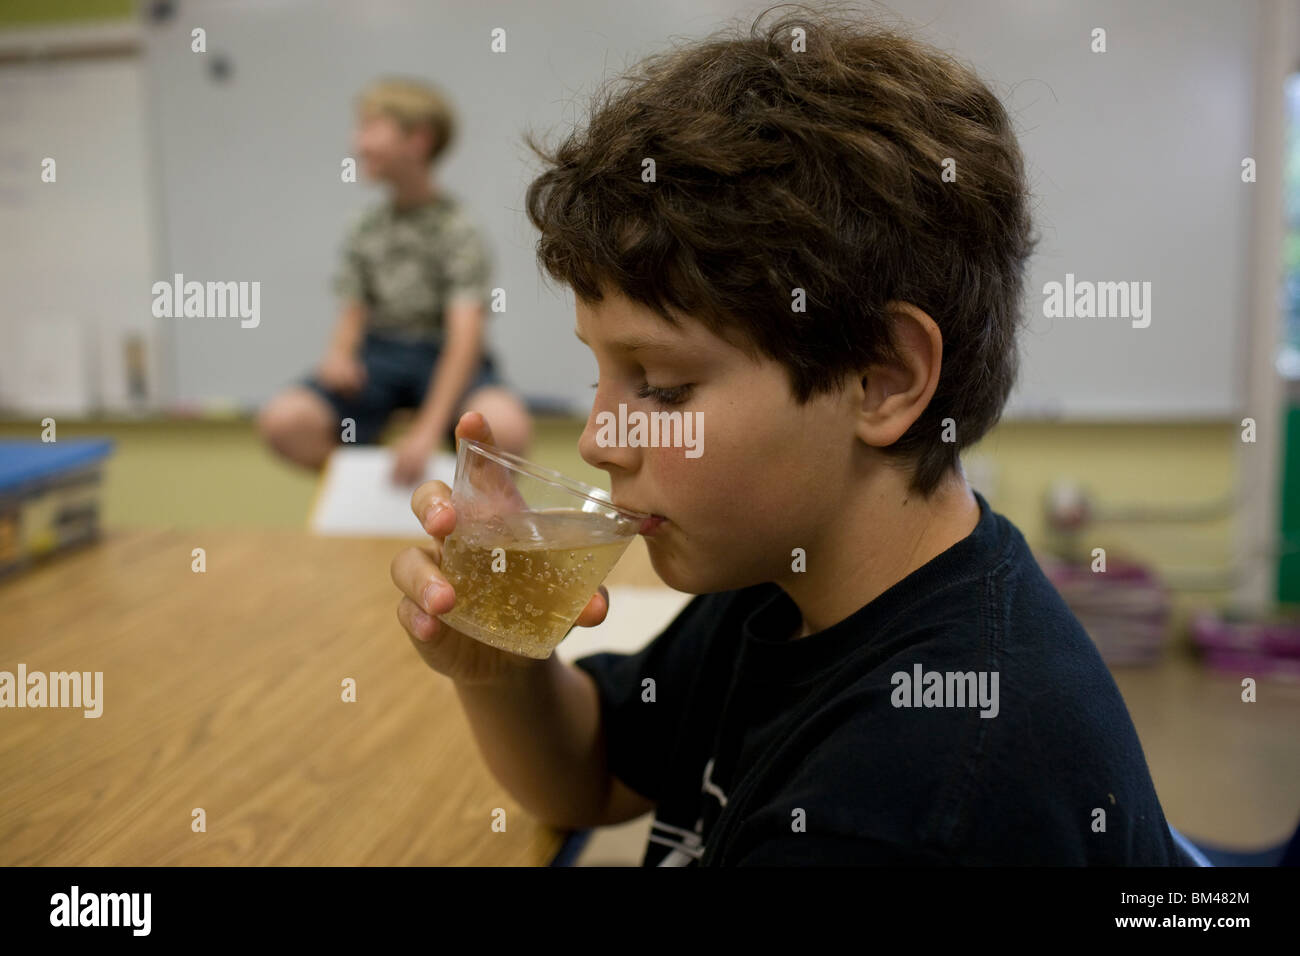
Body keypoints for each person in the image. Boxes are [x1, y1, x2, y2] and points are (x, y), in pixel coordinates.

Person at [389, 10, 1194, 865]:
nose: (598, 440)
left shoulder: (912, 799)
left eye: (661, 387)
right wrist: (502, 667)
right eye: (602, 377)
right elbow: (593, 773)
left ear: (881, 377)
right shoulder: (787, 574)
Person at [258, 77, 532, 485]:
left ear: (418, 139)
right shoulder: (364, 227)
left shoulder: (459, 229)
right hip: (378, 358)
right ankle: (363, 491)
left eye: (369, 128)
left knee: (507, 429)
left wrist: (426, 430)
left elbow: (464, 339)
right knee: (284, 420)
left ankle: (456, 505)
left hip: (444, 358)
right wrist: (339, 353)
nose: (357, 143)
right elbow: (353, 310)